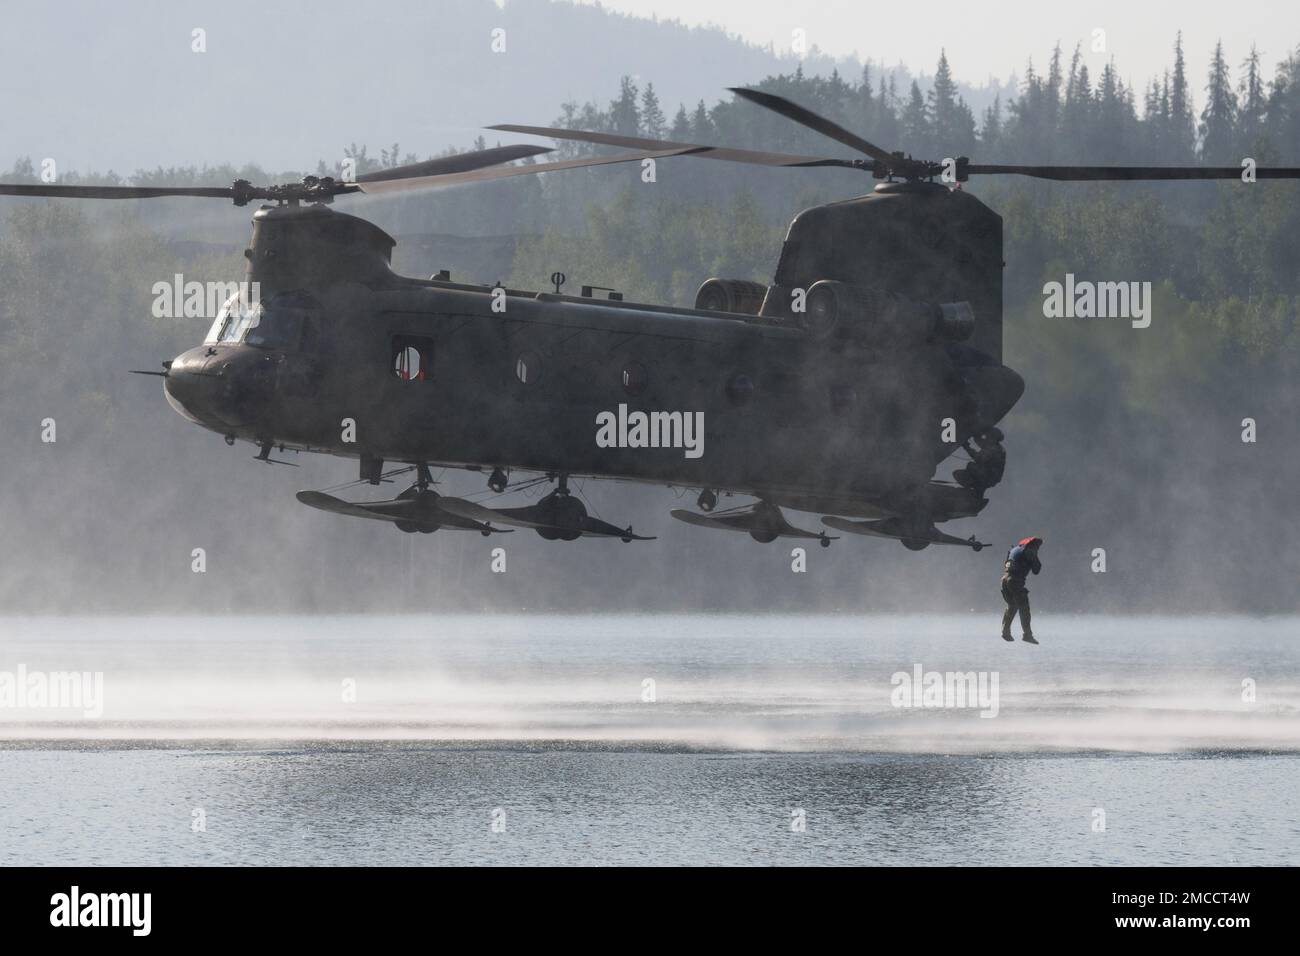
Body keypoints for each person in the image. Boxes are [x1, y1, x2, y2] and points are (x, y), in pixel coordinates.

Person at [1001, 536, 1042, 644]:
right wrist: (1035, 556)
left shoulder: (1014, 550)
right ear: (1033, 545)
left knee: (1012, 606)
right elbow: (1036, 569)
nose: (1038, 548)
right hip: (1015, 581)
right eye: (1038, 546)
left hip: (1004, 580)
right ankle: (1027, 635)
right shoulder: (1029, 551)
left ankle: (1005, 632)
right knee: (1024, 608)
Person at [954, 427, 1006, 495]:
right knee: (960, 472)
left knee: (970, 466)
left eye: (988, 436)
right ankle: (977, 490)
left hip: (988, 477)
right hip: (991, 478)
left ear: (993, 437)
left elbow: (979, 458)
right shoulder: (996, 447)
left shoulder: (994, 449)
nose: (986, 437)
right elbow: (981, 443)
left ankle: (977, 490)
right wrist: (975, 435)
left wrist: (967, 447)